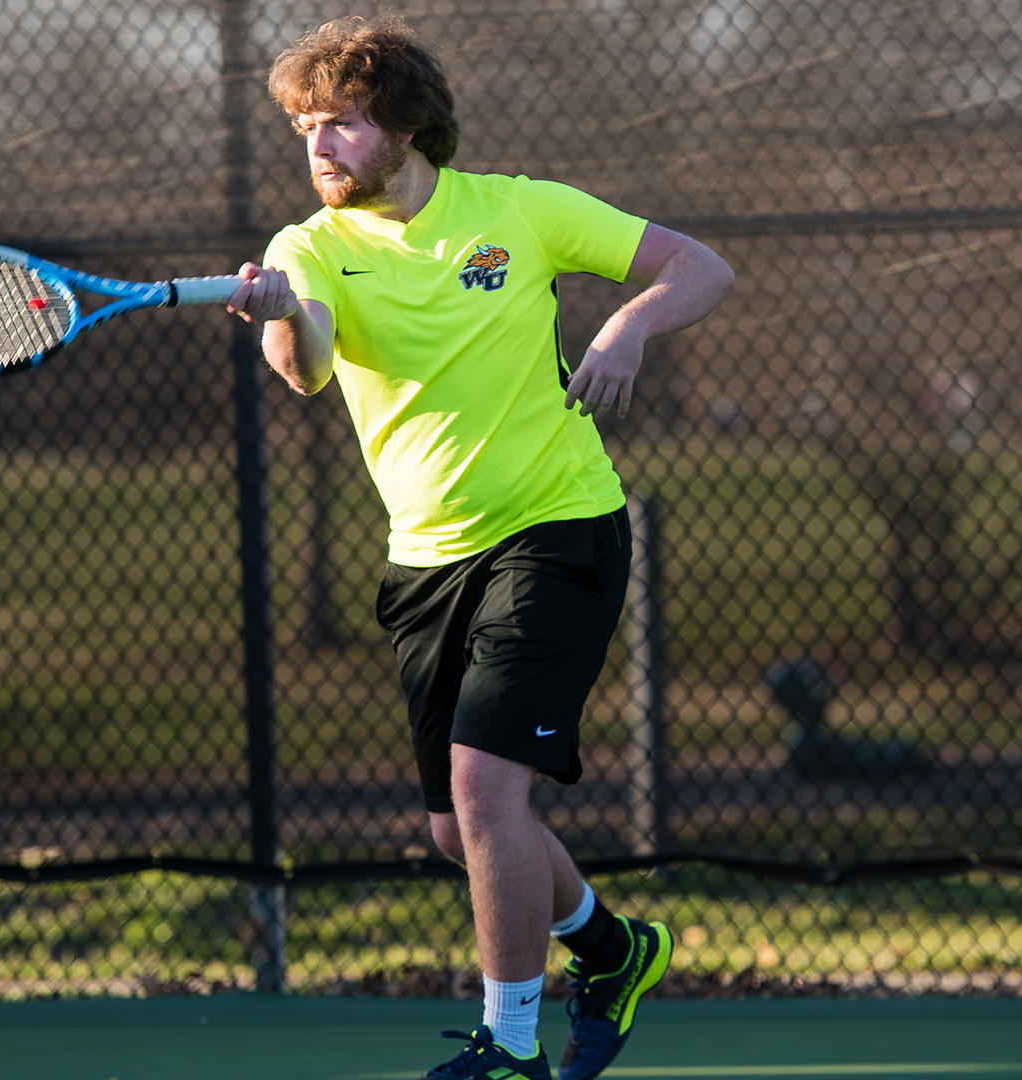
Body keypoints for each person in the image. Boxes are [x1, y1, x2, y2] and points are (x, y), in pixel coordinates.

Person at [224, 16, 734, 1080]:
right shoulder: (306, 249)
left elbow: (702, 268)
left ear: (408, 129)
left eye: (345, 124)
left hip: (558, 530)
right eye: (306, 126)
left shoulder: (519, 209)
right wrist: (280, 317)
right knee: (459, 833)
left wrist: (626, 327)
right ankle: (614, 948)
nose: (319, 146)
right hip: (426, 561)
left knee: (485, 789)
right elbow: (307, 365)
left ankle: (510, 1046)